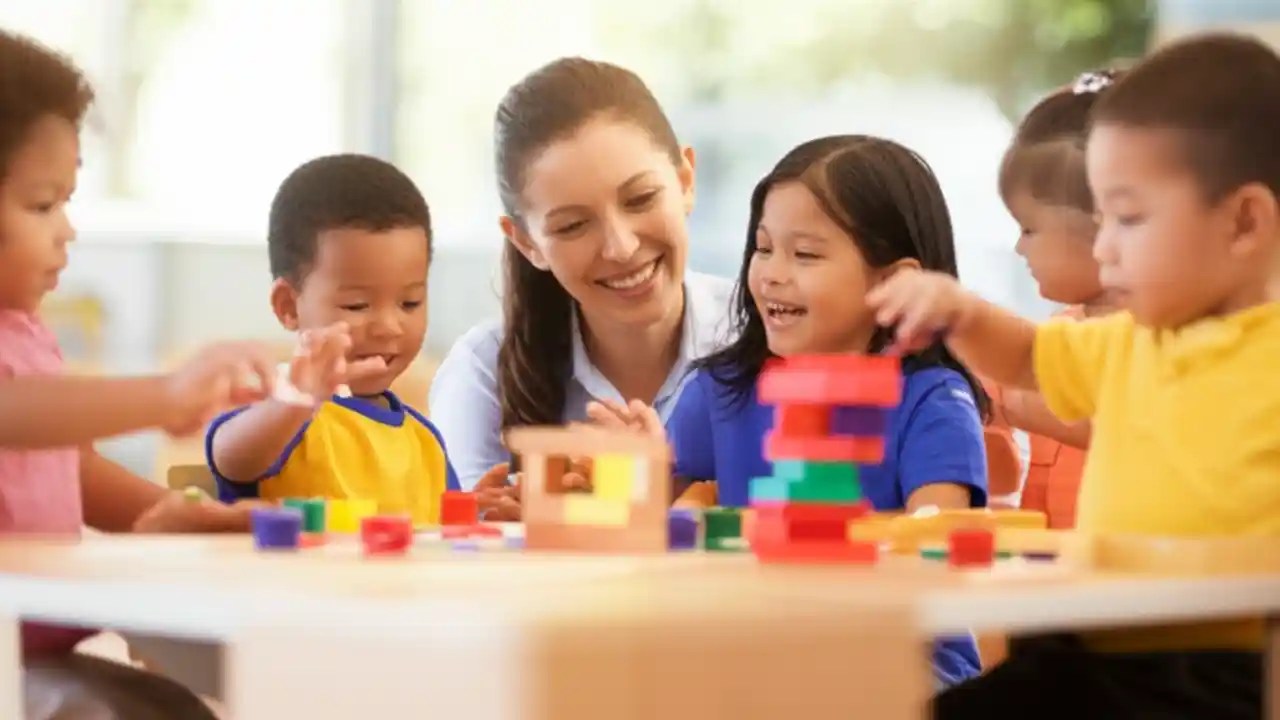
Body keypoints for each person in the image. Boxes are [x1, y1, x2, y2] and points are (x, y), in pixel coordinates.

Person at [869, 32, 1280, 718]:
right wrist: (962, 314)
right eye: (1096, 220)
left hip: (1220, 668)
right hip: (1089, 641)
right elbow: (1028, 358)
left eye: (1127, 218)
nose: (1104, 246)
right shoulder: (1126, 343)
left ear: (1243, 223)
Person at [594, 135, 988, 687]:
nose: (772, 273)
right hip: (754, 653)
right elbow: (652, 530)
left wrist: (820, 549)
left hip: (902, 661)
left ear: (894, 282)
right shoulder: (721, 388)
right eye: (763, 248)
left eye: (805, 254)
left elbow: (935, 544)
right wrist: (634, 468)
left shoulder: (932, 399)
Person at [0, 28, 276, 719]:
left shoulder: (26, 331)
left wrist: (171, 514)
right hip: (10, 663)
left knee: (183, 707)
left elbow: (70, 464)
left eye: (67, 200)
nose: (67, 229)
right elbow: (16, 413)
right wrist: (166, 395)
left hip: (44, 645)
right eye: (41, 205)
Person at [428, 57, 734, 512]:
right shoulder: (481, 373)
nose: (621, 247)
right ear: (527, 242)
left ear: (686, 180)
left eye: (641, 198)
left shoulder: (756, 334)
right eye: (572, 226)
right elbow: (468, 549)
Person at [205, 155, 459, 525]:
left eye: (410, 302)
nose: (389, 326)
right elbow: (230, 457)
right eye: (357, 305)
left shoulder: (424, 442)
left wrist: (483, 507)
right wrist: (298, 398)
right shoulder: (286, 414)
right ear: (289, 306)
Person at [987, 68, 1126, 527]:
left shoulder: (1169, 338)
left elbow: (1113, 419)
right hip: (1057, 582)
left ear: (1104, 221)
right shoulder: (1056, 332)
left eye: (1030, 228)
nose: (1020, 248)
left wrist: (1000, 378)